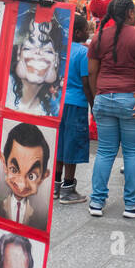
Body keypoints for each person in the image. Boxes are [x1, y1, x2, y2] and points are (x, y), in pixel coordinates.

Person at [87, 0, 135, 218]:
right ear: (129, 14)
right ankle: (132, 205)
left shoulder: (98, 38)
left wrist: (98, 95)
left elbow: (92, 71)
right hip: (132, 98)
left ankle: (96, 202)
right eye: (134, 11)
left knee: (105, 151)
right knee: (133, 152)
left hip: (104, 97)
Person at [54, 14, 93, 206]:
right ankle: (68, 189)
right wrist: (93, 104)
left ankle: (55, 185)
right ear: (77, 32)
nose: (88, 32)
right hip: (76, 104)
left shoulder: (58, 49)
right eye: (86, 29)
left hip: (57, 103)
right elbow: (86, 82)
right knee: (72, 144)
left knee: (58, 143)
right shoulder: (83, 53)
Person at [0, 122, 51, 229]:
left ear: (43, 176)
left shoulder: (42, 214)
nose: (21, 186)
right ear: (4, 163)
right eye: (14, 170)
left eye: (31, 176)